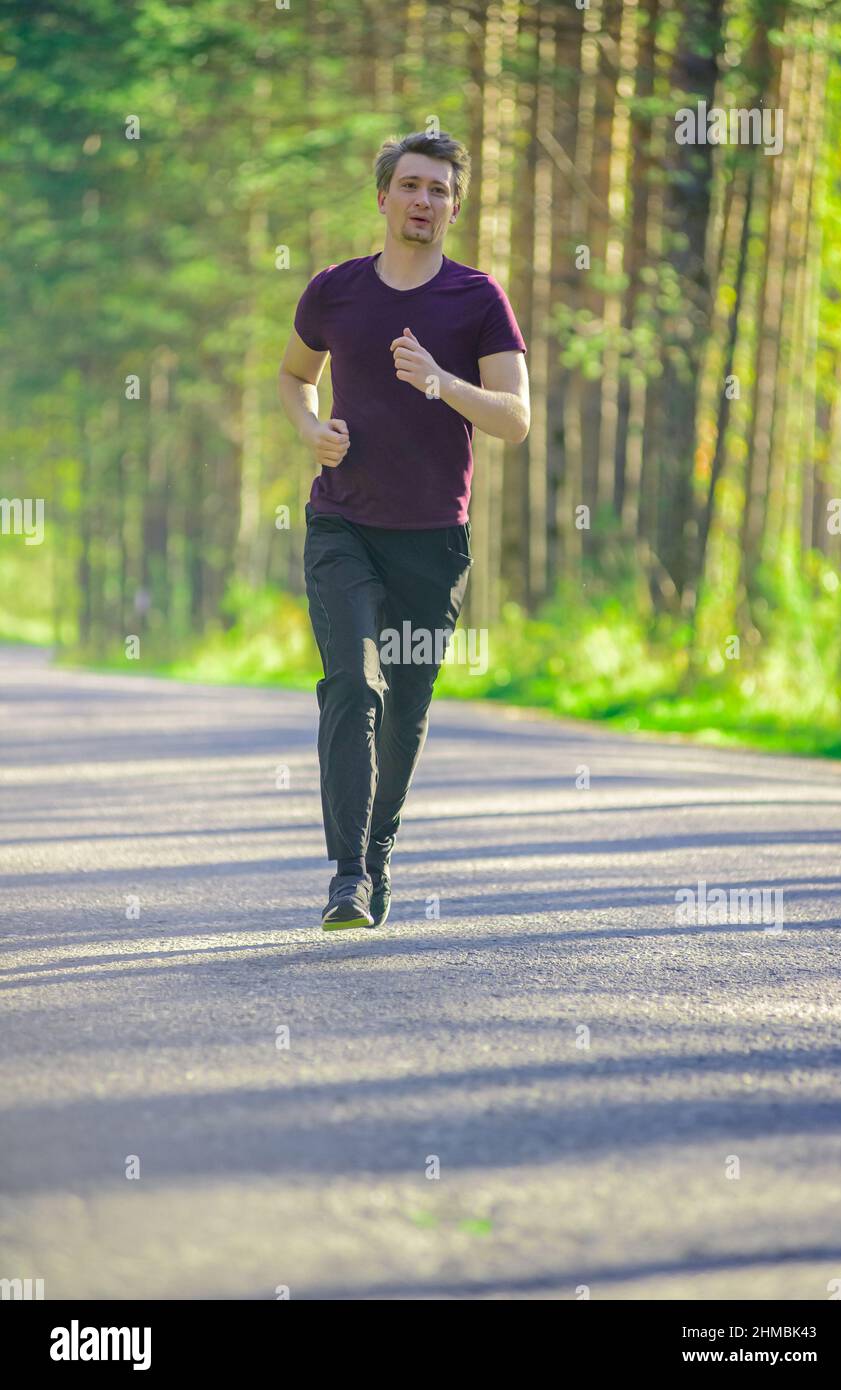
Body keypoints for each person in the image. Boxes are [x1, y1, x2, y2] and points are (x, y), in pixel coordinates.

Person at [277, 130, 529, 930]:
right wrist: (309, 428)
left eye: (440, 190)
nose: (424, 201)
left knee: (406, 708)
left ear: (455, 205)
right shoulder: (334, 290)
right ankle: (346, 875)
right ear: (381, 196)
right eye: (411, 185)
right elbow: (293, 374)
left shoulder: (478, 299)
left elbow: (515, 420)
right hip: (342, 523)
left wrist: (441, 381)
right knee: (354, 684)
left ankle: (378, 854)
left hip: (431, 540)